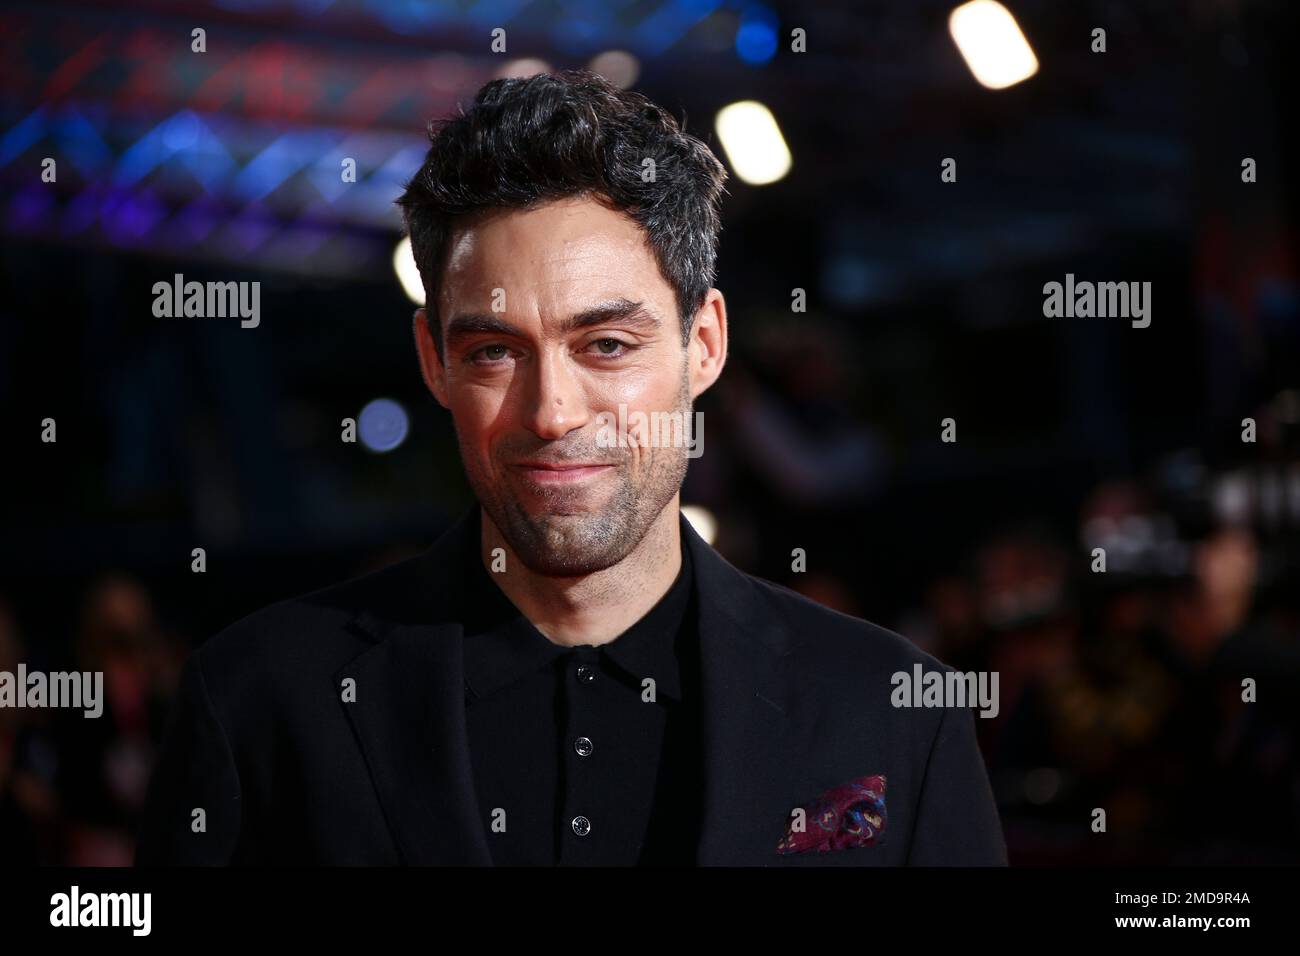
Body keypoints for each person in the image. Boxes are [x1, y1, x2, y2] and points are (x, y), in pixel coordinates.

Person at [135, 70, 1006, 866]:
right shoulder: (259, 700)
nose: (552, 411)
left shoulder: (892, 707)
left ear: (703, 346)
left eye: (608, 344)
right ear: (433, 362)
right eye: (493, 352)